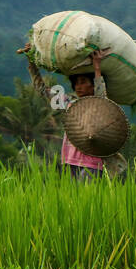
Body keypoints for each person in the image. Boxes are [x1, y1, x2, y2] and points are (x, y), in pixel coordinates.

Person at [17, 44, 127, 181]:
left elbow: (100, 89)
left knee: (86, 196)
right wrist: (31, 63)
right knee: (73, 198)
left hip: (91, 162)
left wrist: (97, 66)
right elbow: (42, 89)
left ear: (92, 84)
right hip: (69, 160)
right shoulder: (69, 102)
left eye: (83, 82)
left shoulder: (98, 103)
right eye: (76, 83)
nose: (78, 87)